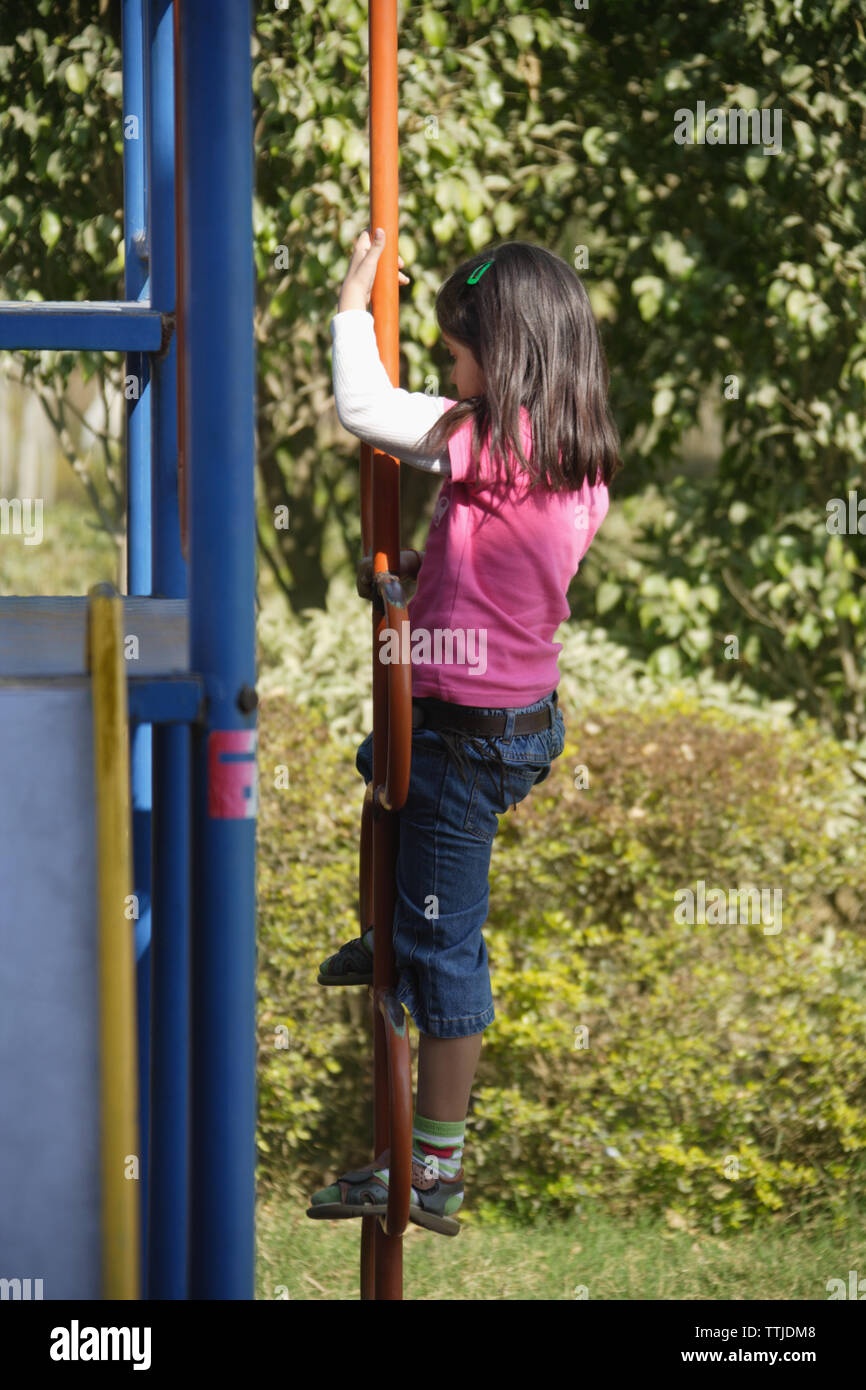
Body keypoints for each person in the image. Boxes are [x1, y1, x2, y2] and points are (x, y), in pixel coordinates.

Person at [307, 230, 621, 1235]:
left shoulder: (487, 441)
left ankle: (430, 1169)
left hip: (465, 730)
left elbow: (362, 408)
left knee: (445, 952)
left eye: (453, 356)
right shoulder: (576, 464)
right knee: (382, 775)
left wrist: (352, 304)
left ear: (506, 352)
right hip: (500, 722)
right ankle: (393, 930)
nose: (446, 375)